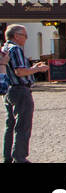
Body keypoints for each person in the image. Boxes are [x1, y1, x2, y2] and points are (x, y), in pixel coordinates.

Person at [3, 25, 47, 163]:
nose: (26, 38)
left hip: (8, 90)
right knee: (23, 125)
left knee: (10, 125)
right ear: (16, 36)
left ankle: (8, 156)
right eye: (24, 35)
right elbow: (20, 71)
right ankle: (20, 157)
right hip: (20, 90)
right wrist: (36, 69)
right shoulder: (15, 49)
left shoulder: (4, 48)